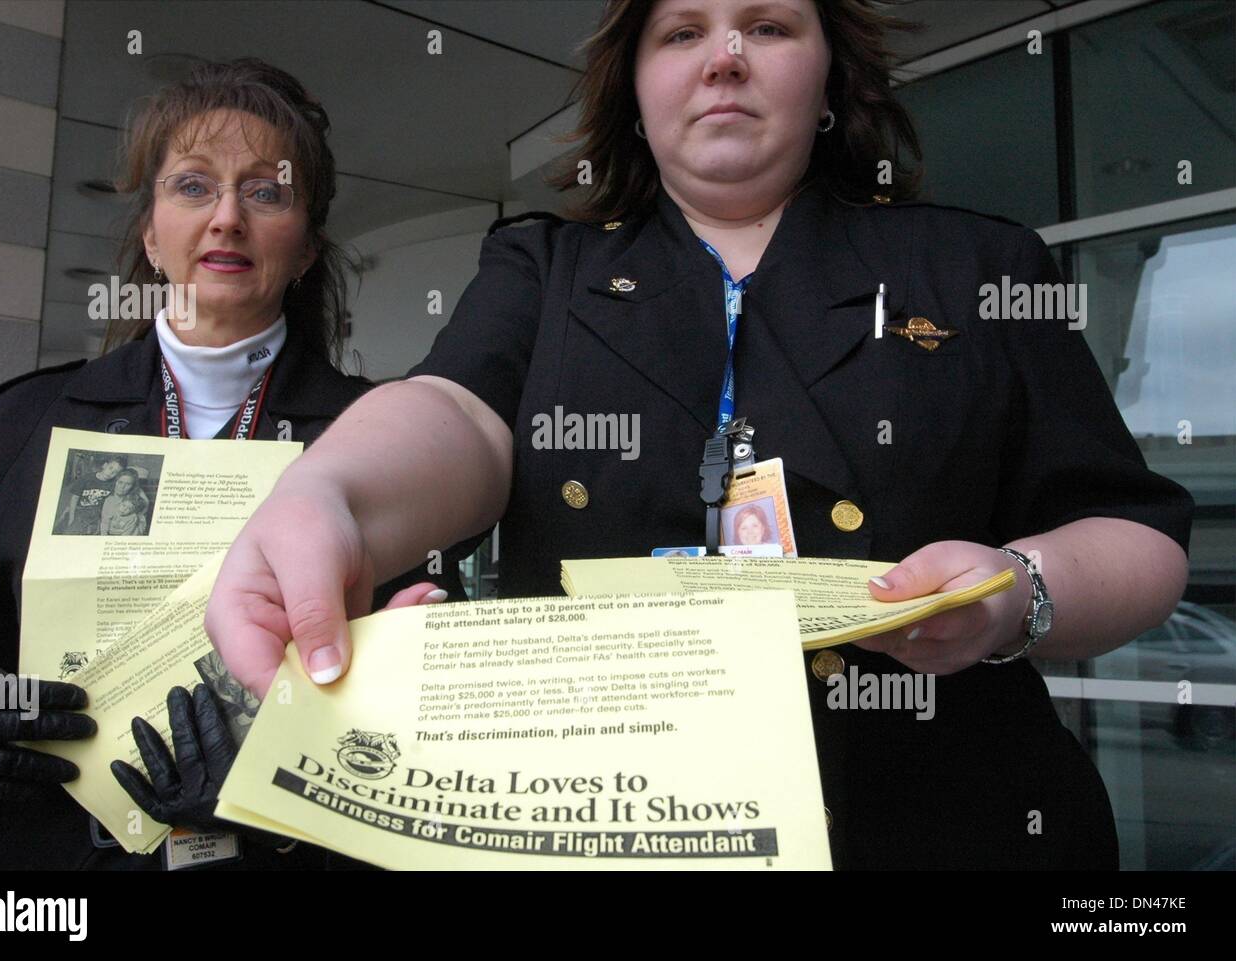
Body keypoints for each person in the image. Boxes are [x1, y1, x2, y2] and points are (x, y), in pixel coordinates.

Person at [204, 0, 1193, 869]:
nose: (723, 56)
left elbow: (1132, 534)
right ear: (635, 89)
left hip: (939, 817)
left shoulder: (976, 262)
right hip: (602, 822)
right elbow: (454, 411)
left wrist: (1016, 593)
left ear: (827, 81)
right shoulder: (541, 269)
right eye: (682, 32)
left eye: (767, 26)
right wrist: (327, 494)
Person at [0, 58, 461, 870]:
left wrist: (290, 752)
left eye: (265, 191)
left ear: (307, 246)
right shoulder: (24, 423)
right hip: (49, 869)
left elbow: (422, 691)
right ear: (150, 232)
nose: (226, 218)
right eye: (191, 186)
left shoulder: (382, 435)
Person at [59, 455, 126, 534]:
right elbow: (75, 498)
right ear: (104, 465)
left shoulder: (113, 484)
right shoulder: (86, 478)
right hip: (81, 510)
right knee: (71, 531)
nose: (111, 473)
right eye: (110, 468)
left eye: (115, 472)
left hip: (99, 514)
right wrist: (71, 517)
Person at [100, 469, 150, 535]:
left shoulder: (133, 502)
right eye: (120, 482)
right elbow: (104, 522)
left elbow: (140, 528)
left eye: (128, 484)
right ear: (115, 482)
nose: (122, 487)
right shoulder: (109, 500)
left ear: (132, 486)